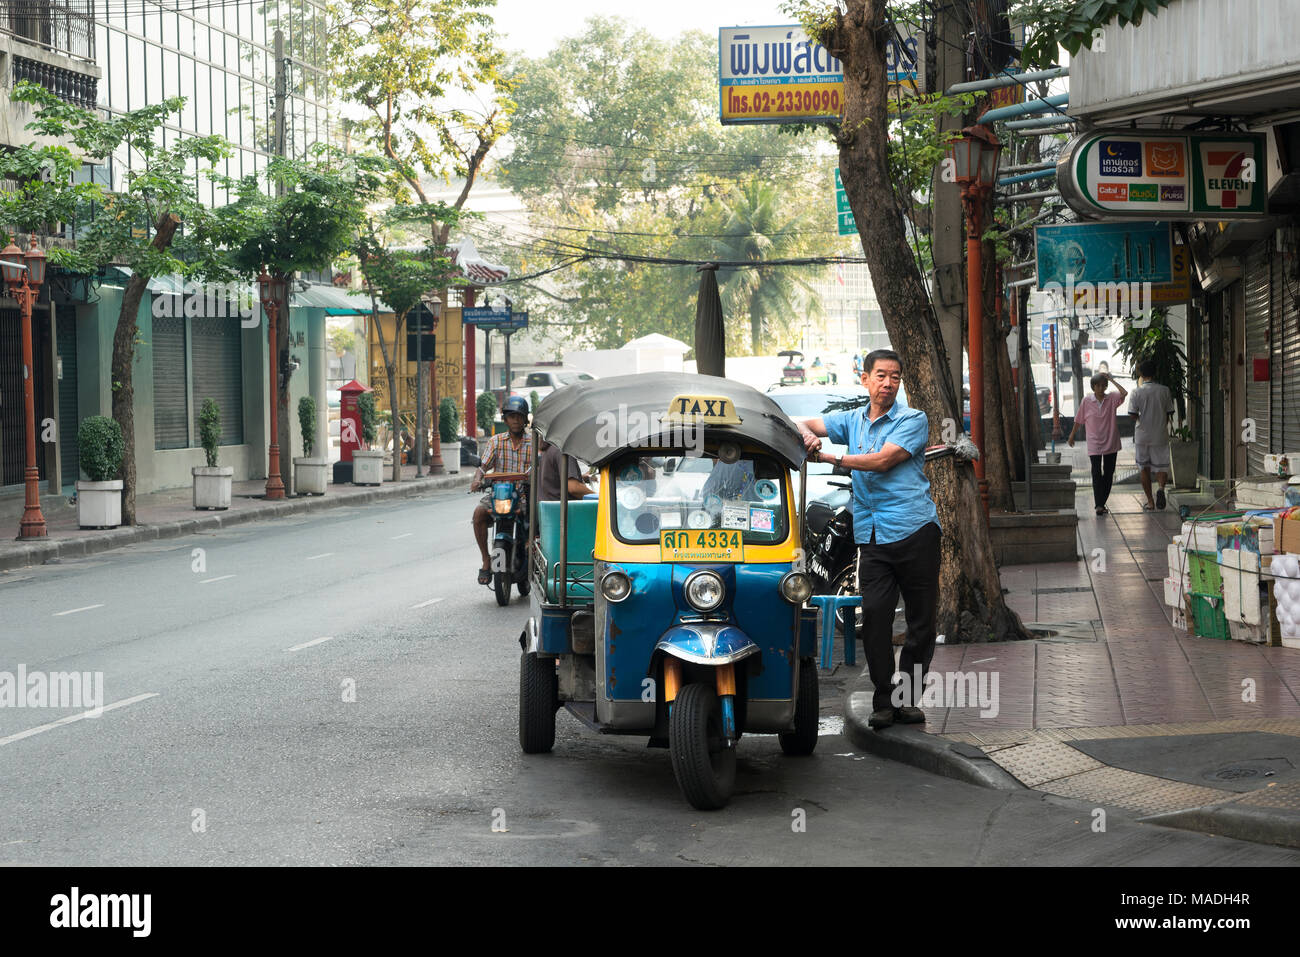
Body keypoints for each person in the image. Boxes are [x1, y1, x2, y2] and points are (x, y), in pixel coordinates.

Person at [797, 349, 940, 730]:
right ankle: (883, 699)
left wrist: (829, 458)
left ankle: (907, 701)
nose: (888, 383)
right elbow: (804, 423)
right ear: (865, 379)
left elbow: (882, 460)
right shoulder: (852, 421)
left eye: (895, 377)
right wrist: (808, 436)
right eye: (880, 375)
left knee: (921, 622)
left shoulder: (913, 419)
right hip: (873, 537)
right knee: (874, 618)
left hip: (916, 531)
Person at [470, 396, 532, 583]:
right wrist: (477, 480)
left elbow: (540, 465)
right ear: (505, 419)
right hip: (499, 495)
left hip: (524, 495)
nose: (515, 420)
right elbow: (482, 467)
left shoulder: (533, 443)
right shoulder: (496, 441)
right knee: (478, 514)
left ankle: (532, 555)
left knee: (538, 519)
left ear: (525, 419)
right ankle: (486, 559)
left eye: (519, 416)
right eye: (511, 416)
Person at [1068, 372, 1127, 516]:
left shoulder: (1112, 398)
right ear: (1093, 387)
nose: (1101, 388)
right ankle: (1099, 505)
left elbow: (1124, 392)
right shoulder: (1087, 401)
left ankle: (1100, 503)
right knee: (1096, 472)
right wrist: (1072, 435)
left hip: (1111, 440)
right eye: (1098, 386)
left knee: (1108, 473)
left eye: (1103, 386)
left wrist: (1111, 379)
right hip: (1094, 442)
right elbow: (1079, 419)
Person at [1127, 359, 1175, 510]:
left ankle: (1150, 501)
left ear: (1141, 373)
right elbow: (1169, 413)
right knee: (1162, 467)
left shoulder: (1137, 391)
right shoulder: (1164, 390)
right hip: (1160, 434)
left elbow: (1133, 414)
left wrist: (1143, 419)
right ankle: (1160, 489)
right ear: (1155, 372)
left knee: (1144, 468)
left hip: (1142, 435)